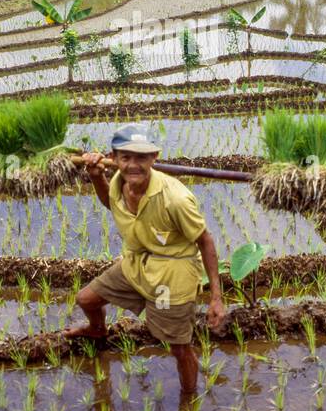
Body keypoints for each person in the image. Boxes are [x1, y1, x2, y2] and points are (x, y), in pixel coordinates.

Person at [64, 125, 225, 396]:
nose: (133, 165)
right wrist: (96, 177)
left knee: (178, 346)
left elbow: (205, 241)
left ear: (154, 157)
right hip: (136, 263)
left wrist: (216, 298)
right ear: (113, 157)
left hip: (171, 275)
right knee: (87, 299)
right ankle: (97, 330)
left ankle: (189, 397)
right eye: (125, 157)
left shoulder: (176, 199)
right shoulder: (117, 181)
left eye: (141, 158)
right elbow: (111, 202)